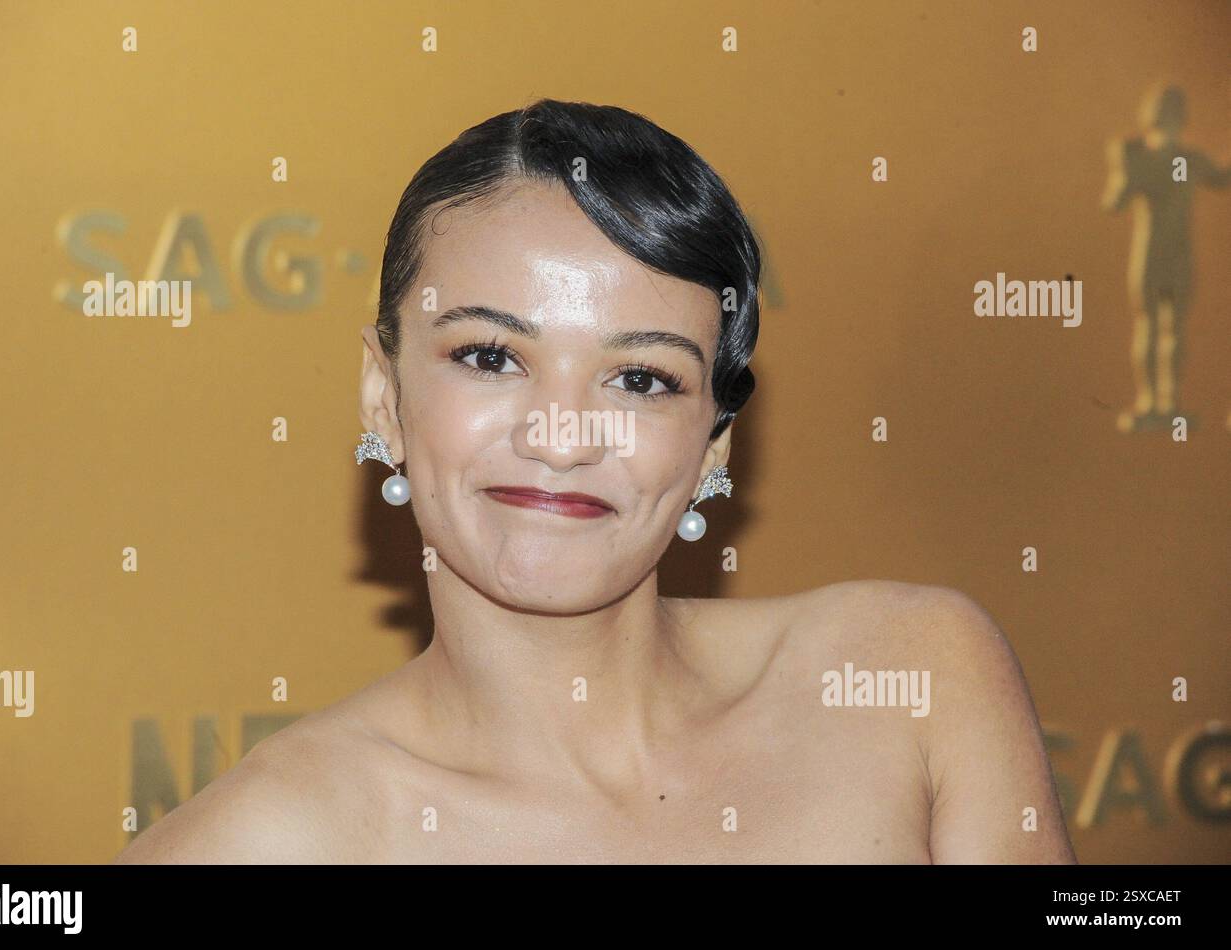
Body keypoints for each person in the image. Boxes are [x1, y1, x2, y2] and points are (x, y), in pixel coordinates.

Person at [115, 99, 1075, 863]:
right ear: (383, 394)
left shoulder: (912, 681)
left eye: (642, 378)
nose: (563, 436)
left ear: (713, 445)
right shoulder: (273, 841)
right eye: (490, 357)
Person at [1102, 83, 1231, 433]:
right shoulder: (1144, 158)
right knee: (1152, 325)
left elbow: (1222, 178)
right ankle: (1151, 400)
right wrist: (1123, 169)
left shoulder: (1187, 159)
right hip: (1154, 254)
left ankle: (1167, 402)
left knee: (1171, 329)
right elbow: (1115, 201)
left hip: (1176, 256)